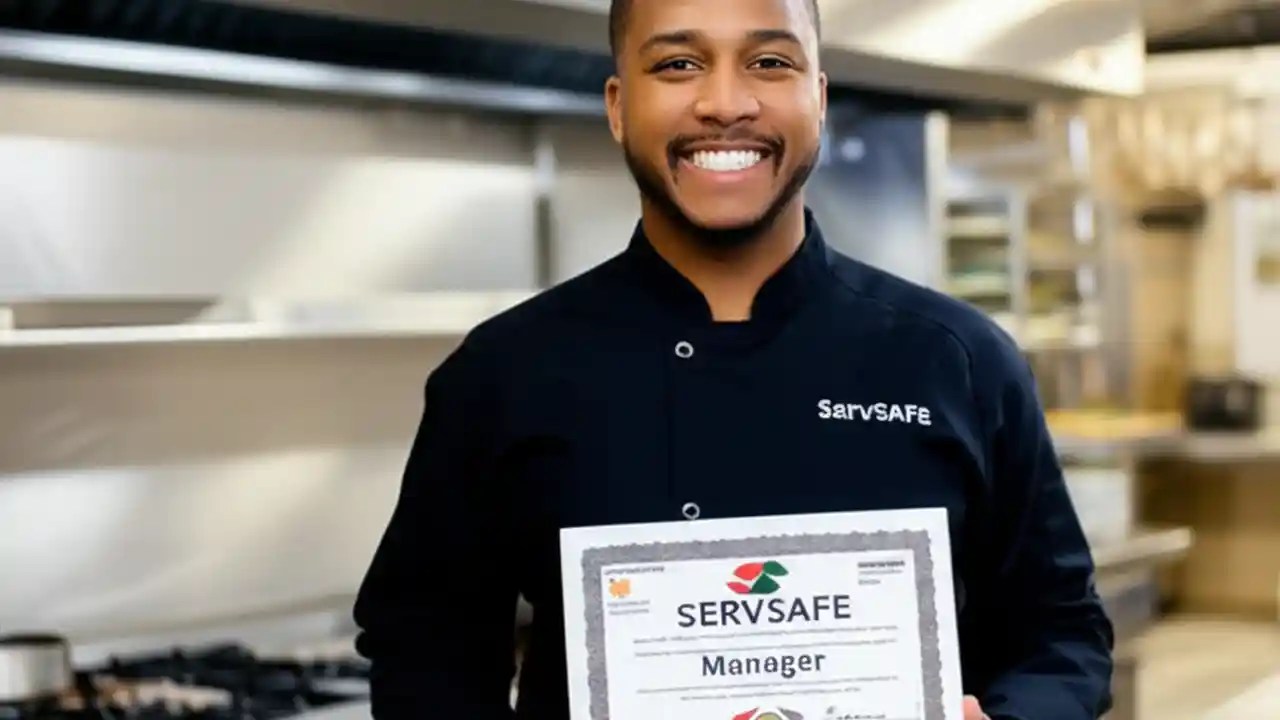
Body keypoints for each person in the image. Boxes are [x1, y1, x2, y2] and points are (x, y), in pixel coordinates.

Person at [351, 0, 1115, 717]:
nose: (725, 102)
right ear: (618, 106)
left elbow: (1063, 632)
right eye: (678, 65)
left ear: (818, 96)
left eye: (770, 63)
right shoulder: (503, 373)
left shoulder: (959, 360)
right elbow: (425, 649)